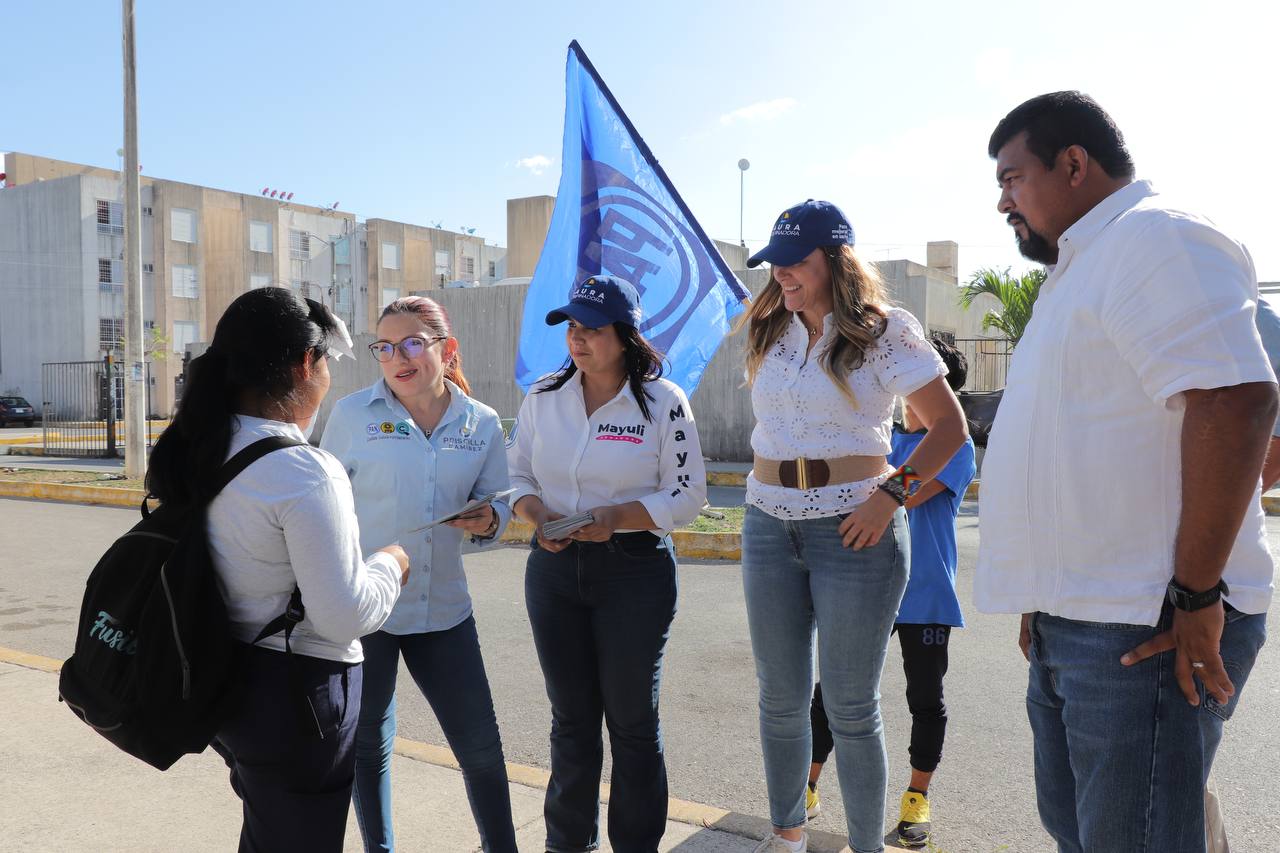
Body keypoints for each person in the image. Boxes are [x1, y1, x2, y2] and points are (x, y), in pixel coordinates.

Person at [975, 91, 1276, 853]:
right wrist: (1043, 594)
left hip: (1147, 621)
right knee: (1087, 835)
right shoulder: (1081, 267)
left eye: (1013, 177)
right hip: (1079, 620)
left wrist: (1199, 591)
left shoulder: (1155, 237)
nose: (1002, 199)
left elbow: (1239, 401)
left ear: (1075, 164)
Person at [738, 200, 968, 853]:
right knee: (779, 697)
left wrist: (891, 494)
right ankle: (786, 835)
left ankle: (865, 846)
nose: (782, 274)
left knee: (849, 704)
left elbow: (948, 427)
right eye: (775, 262)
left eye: (796, 261)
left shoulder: (884, 330)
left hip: (853, 526)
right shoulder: (770, 325)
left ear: (836, 260)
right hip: (765, 522)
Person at [145, 287, 410, 852]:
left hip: (225, 678)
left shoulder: (199, 445)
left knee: (270, 831)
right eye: (327, 363)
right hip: (297, 698)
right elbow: (342, 615)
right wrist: (389, 565)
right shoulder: (304, 472)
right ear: (304, 364)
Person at [506, 275, 707, 853]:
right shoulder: (543, 396)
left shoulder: (663, 400)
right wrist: (536, 511)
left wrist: (618, 518)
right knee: (570, 721)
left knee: (631, 722)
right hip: (553, 572)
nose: (578, 339)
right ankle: (568, 844)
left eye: (591, 328)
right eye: (572, 327)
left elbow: (689, 495)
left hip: (635, 572)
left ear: (625, 335)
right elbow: (517, 472)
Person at [320, 295, 517, 852]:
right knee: (367, 745)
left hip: (445, 612)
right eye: (385, 347)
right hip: (367, 611)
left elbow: (496, 504)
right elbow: (323, 506)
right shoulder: (353, 415)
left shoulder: (480, 424)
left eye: (412, 343)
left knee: (480, 747)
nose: (398, 358)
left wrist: (488, 520)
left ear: (445, 349)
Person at [806, 336, 976, 849]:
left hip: (925, 597)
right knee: (831, 694)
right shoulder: (878, 439)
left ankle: (915, 801)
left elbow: (905, 495)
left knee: (925, 700)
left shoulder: (955, 446)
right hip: (864, 589)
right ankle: (806, 787)